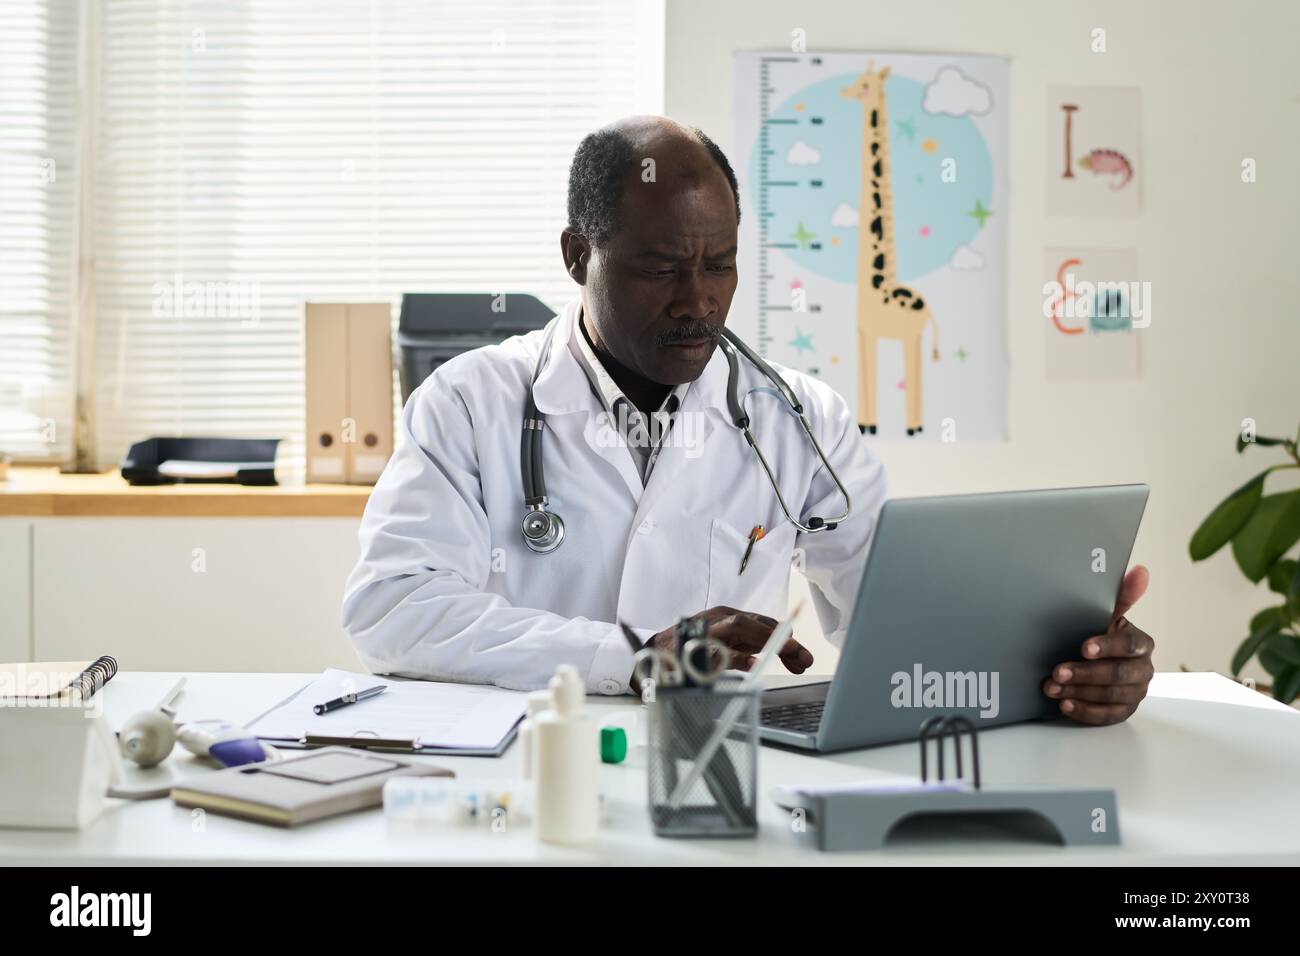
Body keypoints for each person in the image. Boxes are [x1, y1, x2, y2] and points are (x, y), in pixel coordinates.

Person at [341, 116, 1155, 725]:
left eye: (719, 264)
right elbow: (392, 609)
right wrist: (631, 657)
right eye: (660, 268)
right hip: (529, 767)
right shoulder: (468, 403)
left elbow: (896, 612)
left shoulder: (801, 418)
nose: (698, 301)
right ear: (577, 255)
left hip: (720, 777)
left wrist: (1061, 660)